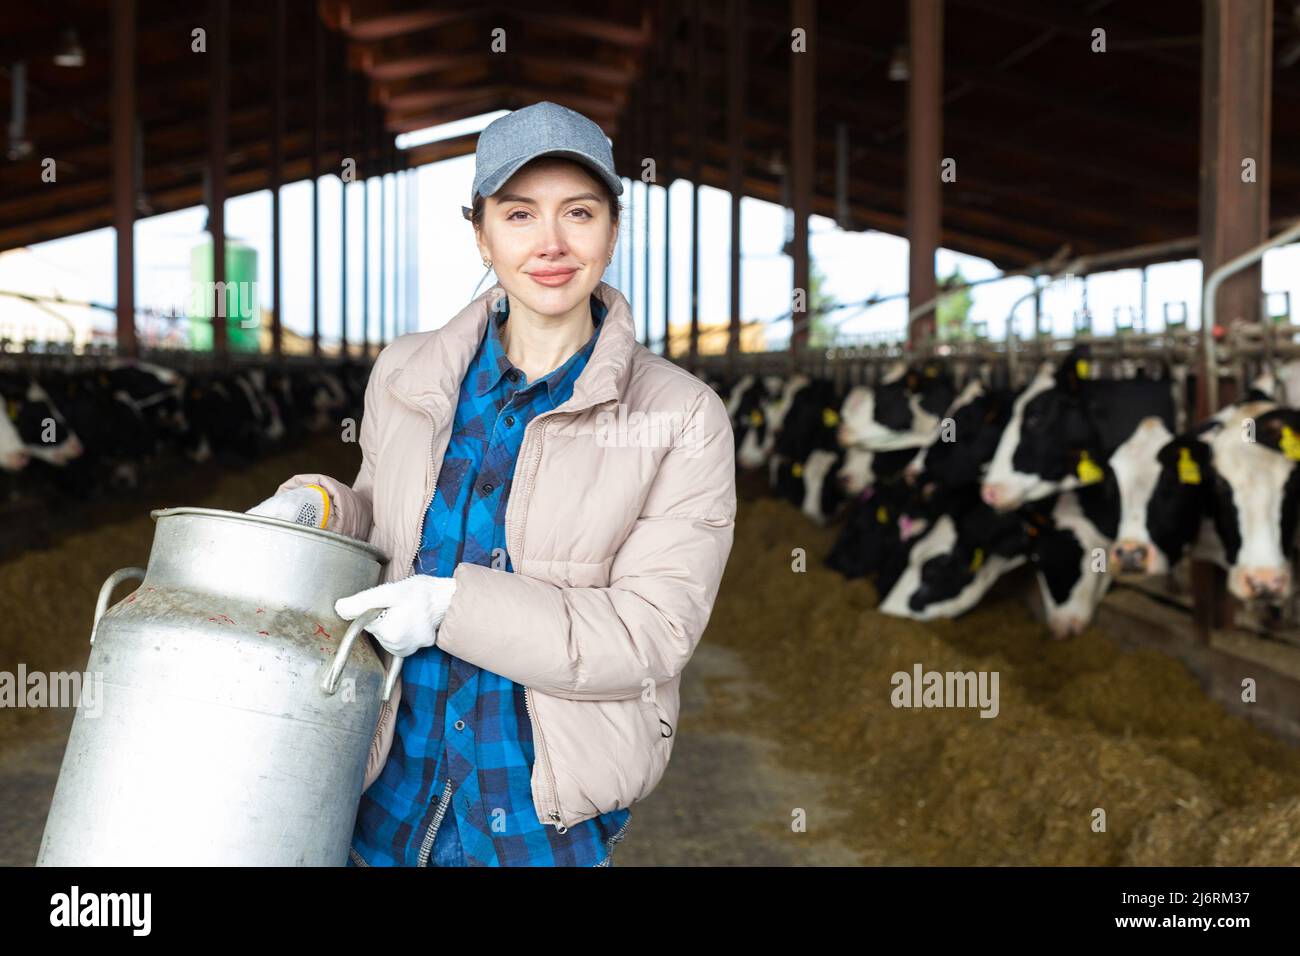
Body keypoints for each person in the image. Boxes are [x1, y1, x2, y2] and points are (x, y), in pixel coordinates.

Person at [249, 101, 737, 867]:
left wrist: (450, 609)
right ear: (480, 231)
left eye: (578, 213)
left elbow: (650, 633)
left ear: (613, 228)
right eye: (519, 214)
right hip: (379, 794)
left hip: (538, 820)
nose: (550, 243)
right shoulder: (408, 372)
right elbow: (380, 521)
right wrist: (313, 506)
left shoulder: (681, 415)